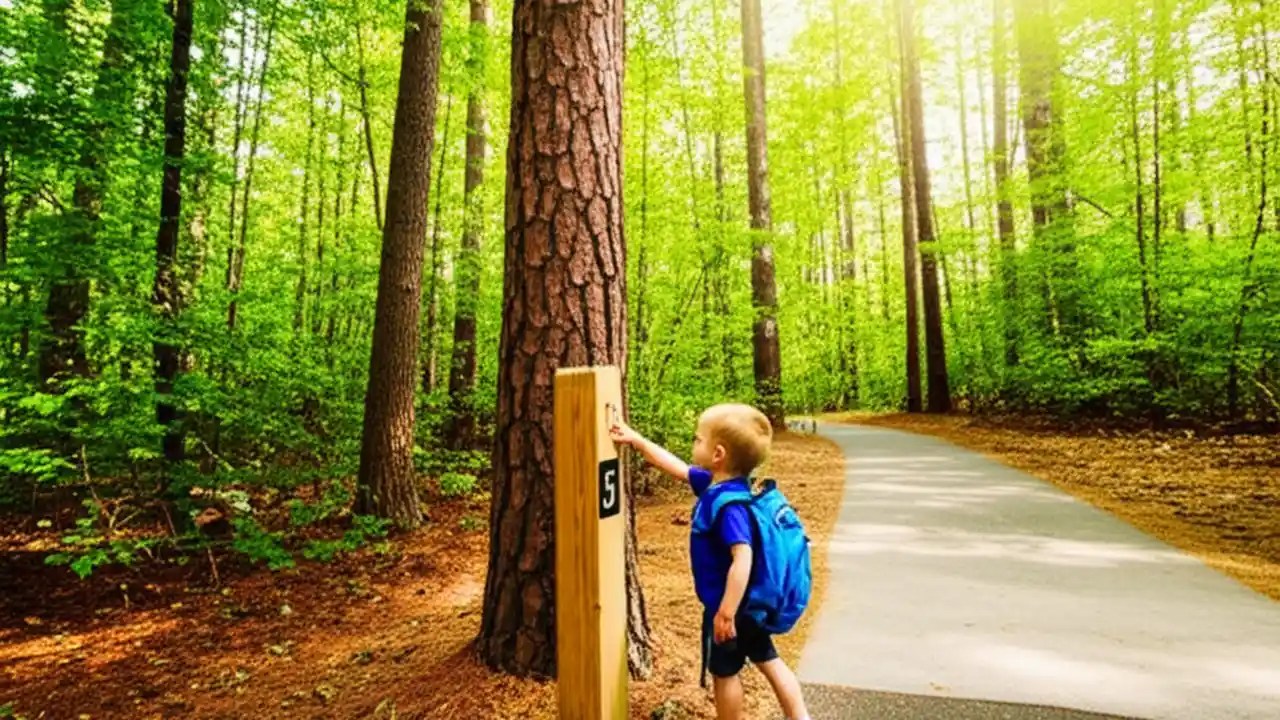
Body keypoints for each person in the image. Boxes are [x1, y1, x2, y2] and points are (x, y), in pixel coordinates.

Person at [609, 403, 811, 720]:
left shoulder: (728, 507)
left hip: (730, 610)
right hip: (749, 607)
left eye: (697, 439)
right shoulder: (722, 487)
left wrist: (726, 613)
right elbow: (674, 467)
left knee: (725, 672)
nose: (693, 443)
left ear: (718, 454)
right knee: (769, 660)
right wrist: (635, 439)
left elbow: (742, 558)